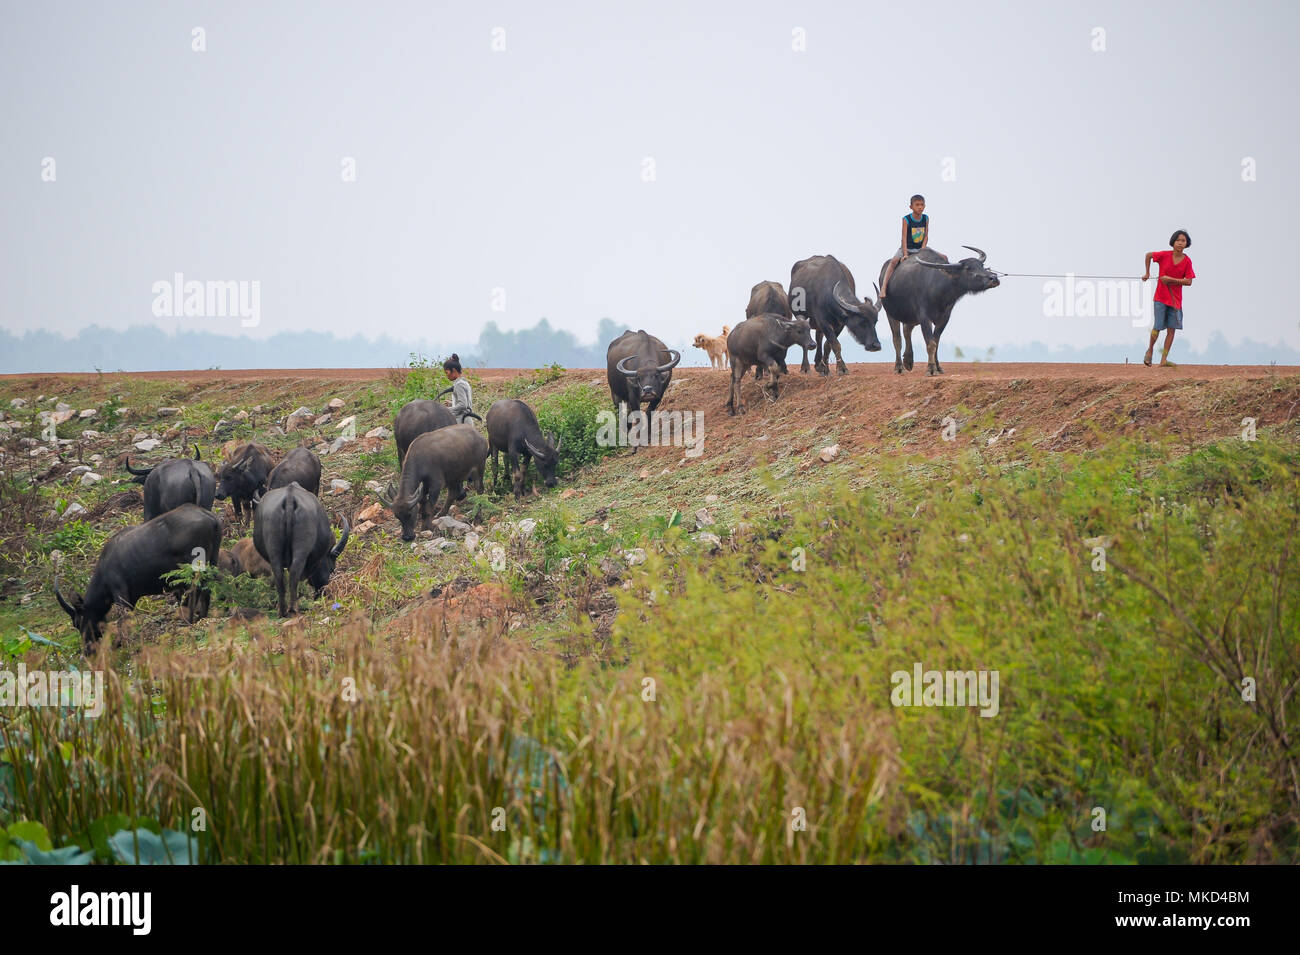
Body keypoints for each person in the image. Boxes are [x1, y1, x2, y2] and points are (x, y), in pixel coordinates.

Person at [1142, 230, 1196, 367]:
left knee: (1172, 330)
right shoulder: (1164, 255)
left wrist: (1170, 279)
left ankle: (1163, 360)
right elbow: (1148, 255)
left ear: (1186, 243)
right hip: (1160, 297)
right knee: (1158, 326)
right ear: (1173, 242)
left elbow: (1189, 281)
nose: (1180, 243)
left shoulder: (1187, 261)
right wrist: (1147, 273)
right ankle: (1150, 350)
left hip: (1175, 300)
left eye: (1183, 241)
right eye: (1178, 240)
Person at [881, 194, 932, 298]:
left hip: (920, 248)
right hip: (907, 247)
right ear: (911, 207)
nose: (920, 207)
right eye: (917, 205)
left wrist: (922, 250)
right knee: (893, 262)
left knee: (943, 257)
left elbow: (926, 236)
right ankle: (883, 288)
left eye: (922, 205)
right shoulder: (906, 219)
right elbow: (903, 237)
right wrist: (905, 254)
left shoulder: (926, 218)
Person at [442, 354, 475, 422]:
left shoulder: (459, 385)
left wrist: (446, 410)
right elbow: (466, 404)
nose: (447, 376)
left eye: (447, 373)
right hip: (466, 419)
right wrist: (452, 404)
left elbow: (463, 405)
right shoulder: (464, 382)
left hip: (462, 420)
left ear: (453, 371)